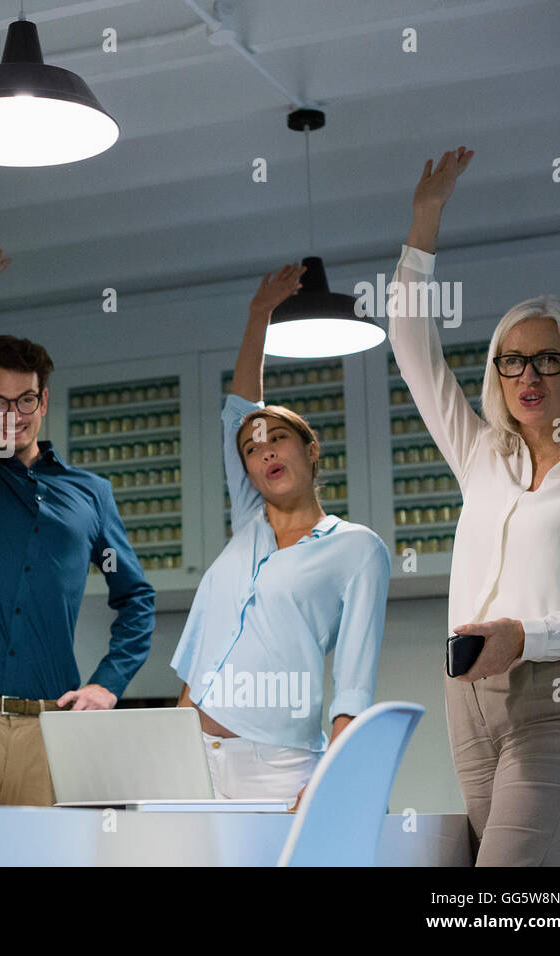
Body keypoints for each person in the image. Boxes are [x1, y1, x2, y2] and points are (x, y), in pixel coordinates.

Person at [388, 147, 560, 865]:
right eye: (511, 361)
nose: (528, 375)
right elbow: (413, 348)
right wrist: (425, 223)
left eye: (548, 359)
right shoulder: (484, 455)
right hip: (469, 701)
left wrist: (530, 633)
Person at [0, 243, 155, 806]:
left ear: (43, 401)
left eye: (25, 401)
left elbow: (136, 599)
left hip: (50, 731)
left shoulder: (91, 495)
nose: (13, 416)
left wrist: (109, 684)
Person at [172, 264, 391, 807]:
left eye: (279, 439)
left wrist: (327, 783)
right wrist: (258, 315)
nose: (264, 448)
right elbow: (239, 412)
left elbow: (355, 683)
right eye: (251, 448)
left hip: (279, 767)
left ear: (311, 450)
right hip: (185, 756)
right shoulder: (249, 520)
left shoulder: (358, 549)